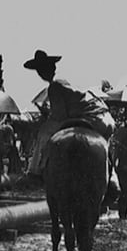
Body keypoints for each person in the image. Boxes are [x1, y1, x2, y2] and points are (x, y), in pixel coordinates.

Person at [22, 49, 119, 205]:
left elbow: (59, 116)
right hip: (103, 116)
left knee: (44, 131)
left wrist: (47, 117)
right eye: (40, 70)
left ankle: (35, 172)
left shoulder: (54, 86)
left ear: (49, 69)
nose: (41, 73)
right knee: (105, 149)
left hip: (90, 117)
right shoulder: (67, 80)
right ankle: (113, 180)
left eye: (42, 69)